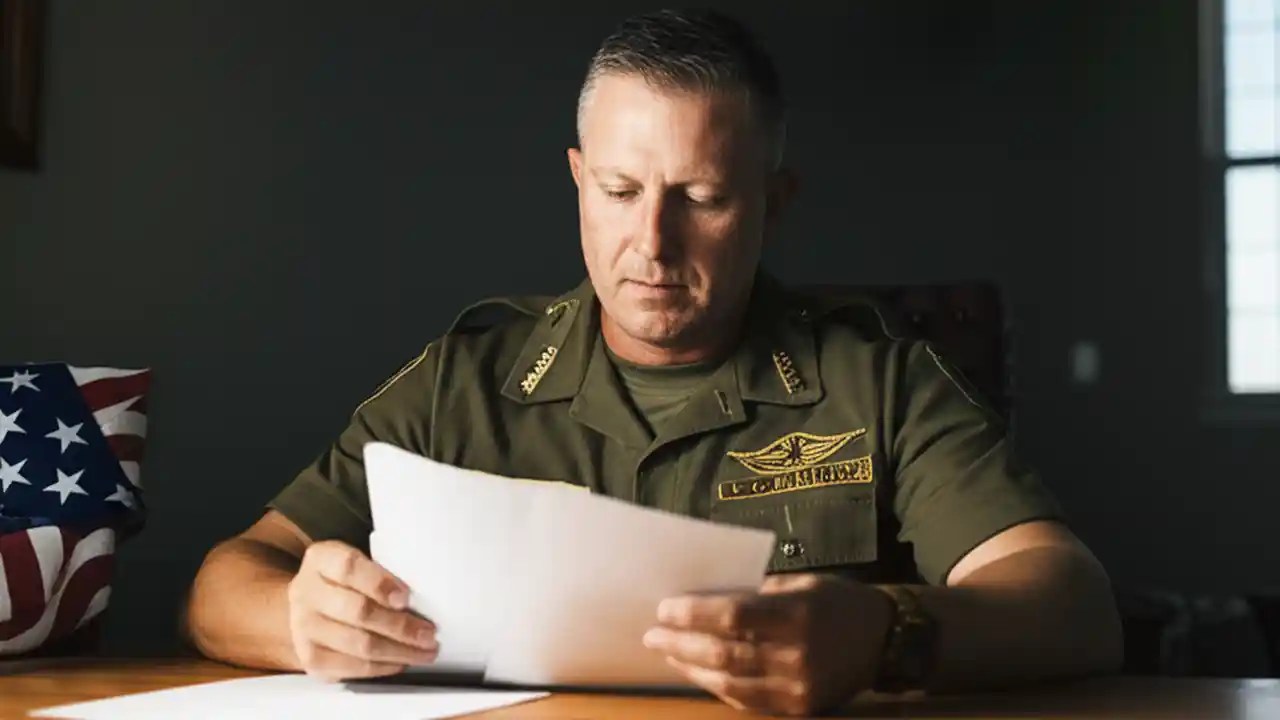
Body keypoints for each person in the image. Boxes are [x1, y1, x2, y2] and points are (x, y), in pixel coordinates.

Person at [184, 8, 1121, 715]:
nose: (654, 242)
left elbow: (1073, 605)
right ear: (578, 182)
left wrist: (888, 634)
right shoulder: (461, 378)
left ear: (772, 203)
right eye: (623, 191)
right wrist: (299, 620)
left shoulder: (879, 378)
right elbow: (227, 580)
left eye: (703, 197)